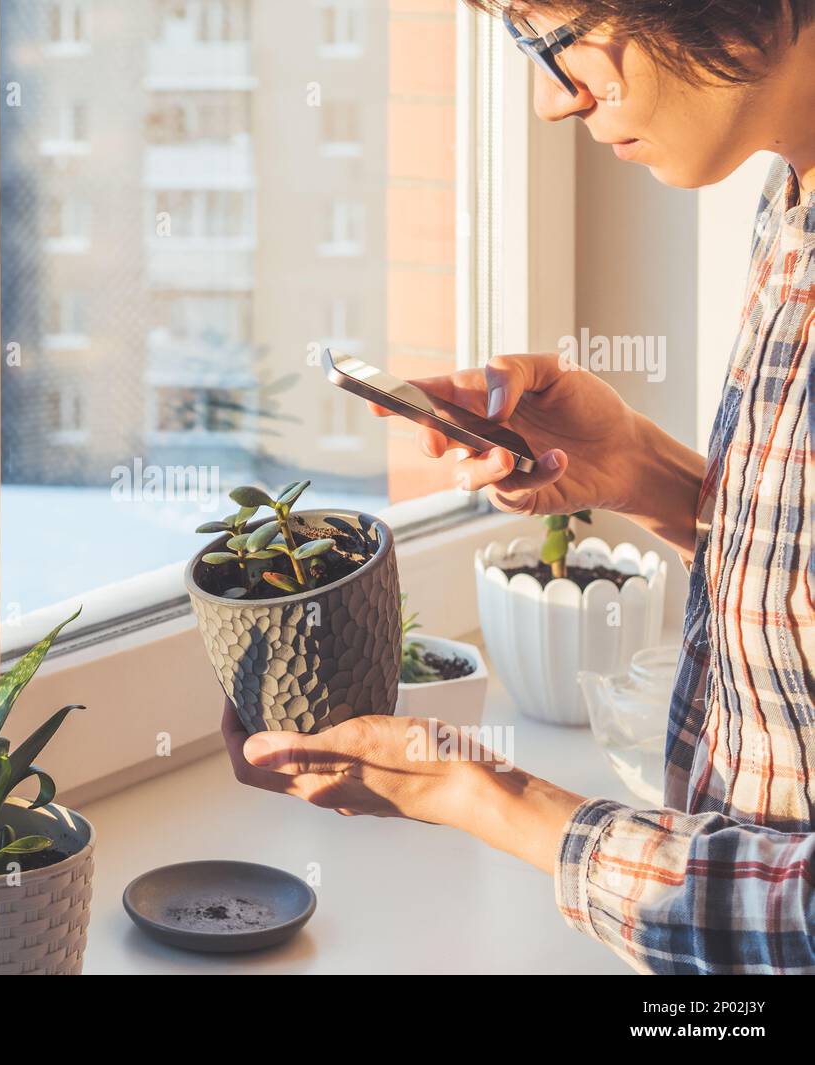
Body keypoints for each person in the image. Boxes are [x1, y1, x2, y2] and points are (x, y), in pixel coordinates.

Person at [224, 1, 815, 974]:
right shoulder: (790, 200)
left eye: (558, 36)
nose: (553, 98)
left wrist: (478, 794)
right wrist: (643, 472)